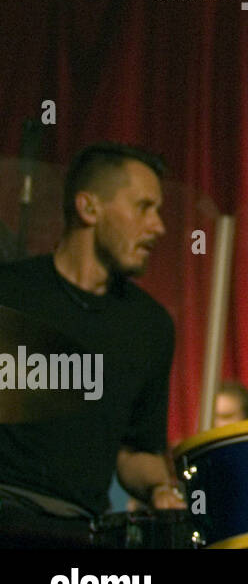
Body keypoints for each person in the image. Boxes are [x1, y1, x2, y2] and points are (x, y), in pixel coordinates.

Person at [0, 143, 183, 546]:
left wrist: (159, 489)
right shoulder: (10, 293)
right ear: (89, 209)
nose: (159, 227)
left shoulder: (150, 326)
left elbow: (135, 452)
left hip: (80, 527)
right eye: (144, 207)